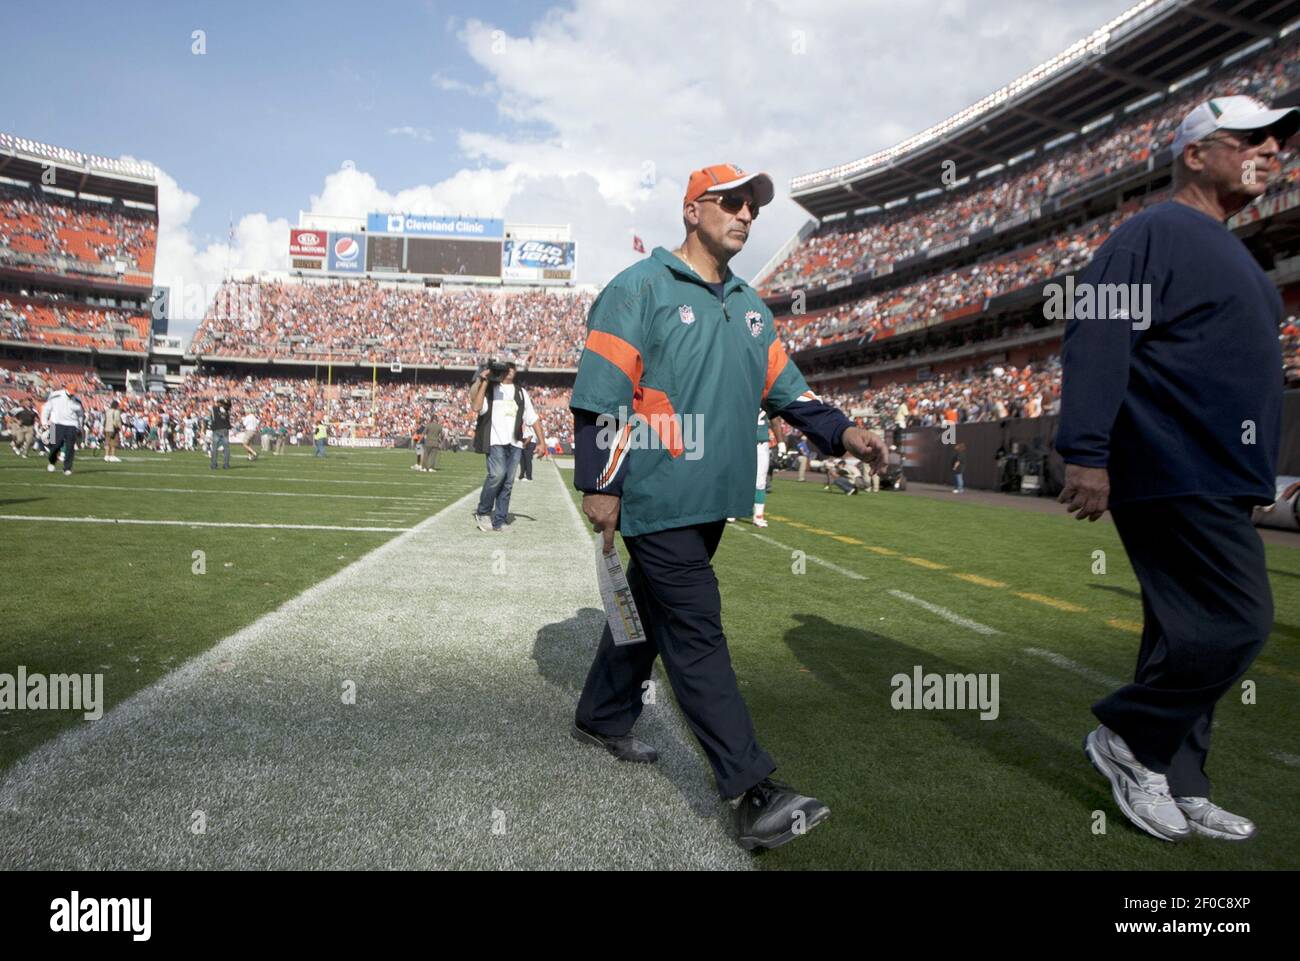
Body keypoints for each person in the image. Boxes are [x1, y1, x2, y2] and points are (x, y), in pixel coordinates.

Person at [569, 162, 886, 851]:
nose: (745, 214)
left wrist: (847, 432)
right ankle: (752, 791)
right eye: (732, 202)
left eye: (753, 207)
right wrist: (599, 479)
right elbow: (601, 389)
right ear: (692, 210)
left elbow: (789, 392)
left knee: (651, 612)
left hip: (713, 496)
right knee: (696, 629)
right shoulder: (639, 288)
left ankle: (601, 712)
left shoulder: (749, 304)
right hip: (656, 490)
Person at [1057, 95, 1297, 843]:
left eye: (1276, 143)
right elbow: (1097, 332)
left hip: (1220, 476)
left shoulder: (1246, 263)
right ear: (1196, 154)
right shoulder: (1155, 230)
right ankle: (1127, 736)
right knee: (1240, 619)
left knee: (1182, 633)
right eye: (1250, 140)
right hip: (1170, 465)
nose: (1271, 152)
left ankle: (1182, 780)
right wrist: (1087, 451)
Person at [468, 360, 546, 532]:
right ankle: (483, 512)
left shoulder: (521, 392)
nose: (509, 370)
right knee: (497, 475)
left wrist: (542, 442)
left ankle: (500, 520)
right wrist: (485, 381)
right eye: (505, 368)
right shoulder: (491, 390)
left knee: (508, 483)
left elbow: (532, 417)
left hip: (515, 442)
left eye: (512, 367)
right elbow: (476, 406)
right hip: (495, 440)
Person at [41, 383, 84, 476]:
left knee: (70, 447)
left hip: (72, 425)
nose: (72, 394)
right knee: (55, 445)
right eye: (70, 391)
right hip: (56, 423)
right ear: (66, 389)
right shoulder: (55, 395)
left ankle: (67, 468)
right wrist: (44, 422)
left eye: (73, 392)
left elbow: (80, 415)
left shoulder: (77, 401)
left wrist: (79, 427)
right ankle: (52, 462)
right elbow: (46, 409)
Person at [753, 410, 771, 527]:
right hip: (744, 443)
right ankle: (732, 510)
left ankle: (758, 515)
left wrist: (781, 443)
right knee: (738, 477)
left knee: (760, 481)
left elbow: (775, 420)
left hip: (762, 444)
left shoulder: (766, 400)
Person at [210, 396, 232, 470]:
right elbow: (229, 404)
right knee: (226, 448)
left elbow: (212, 408)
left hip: (216, 429)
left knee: (215, 448)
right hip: (225, 429)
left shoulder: (214, 409)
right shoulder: (227, 410)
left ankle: (214, 465)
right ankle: (226, 465)